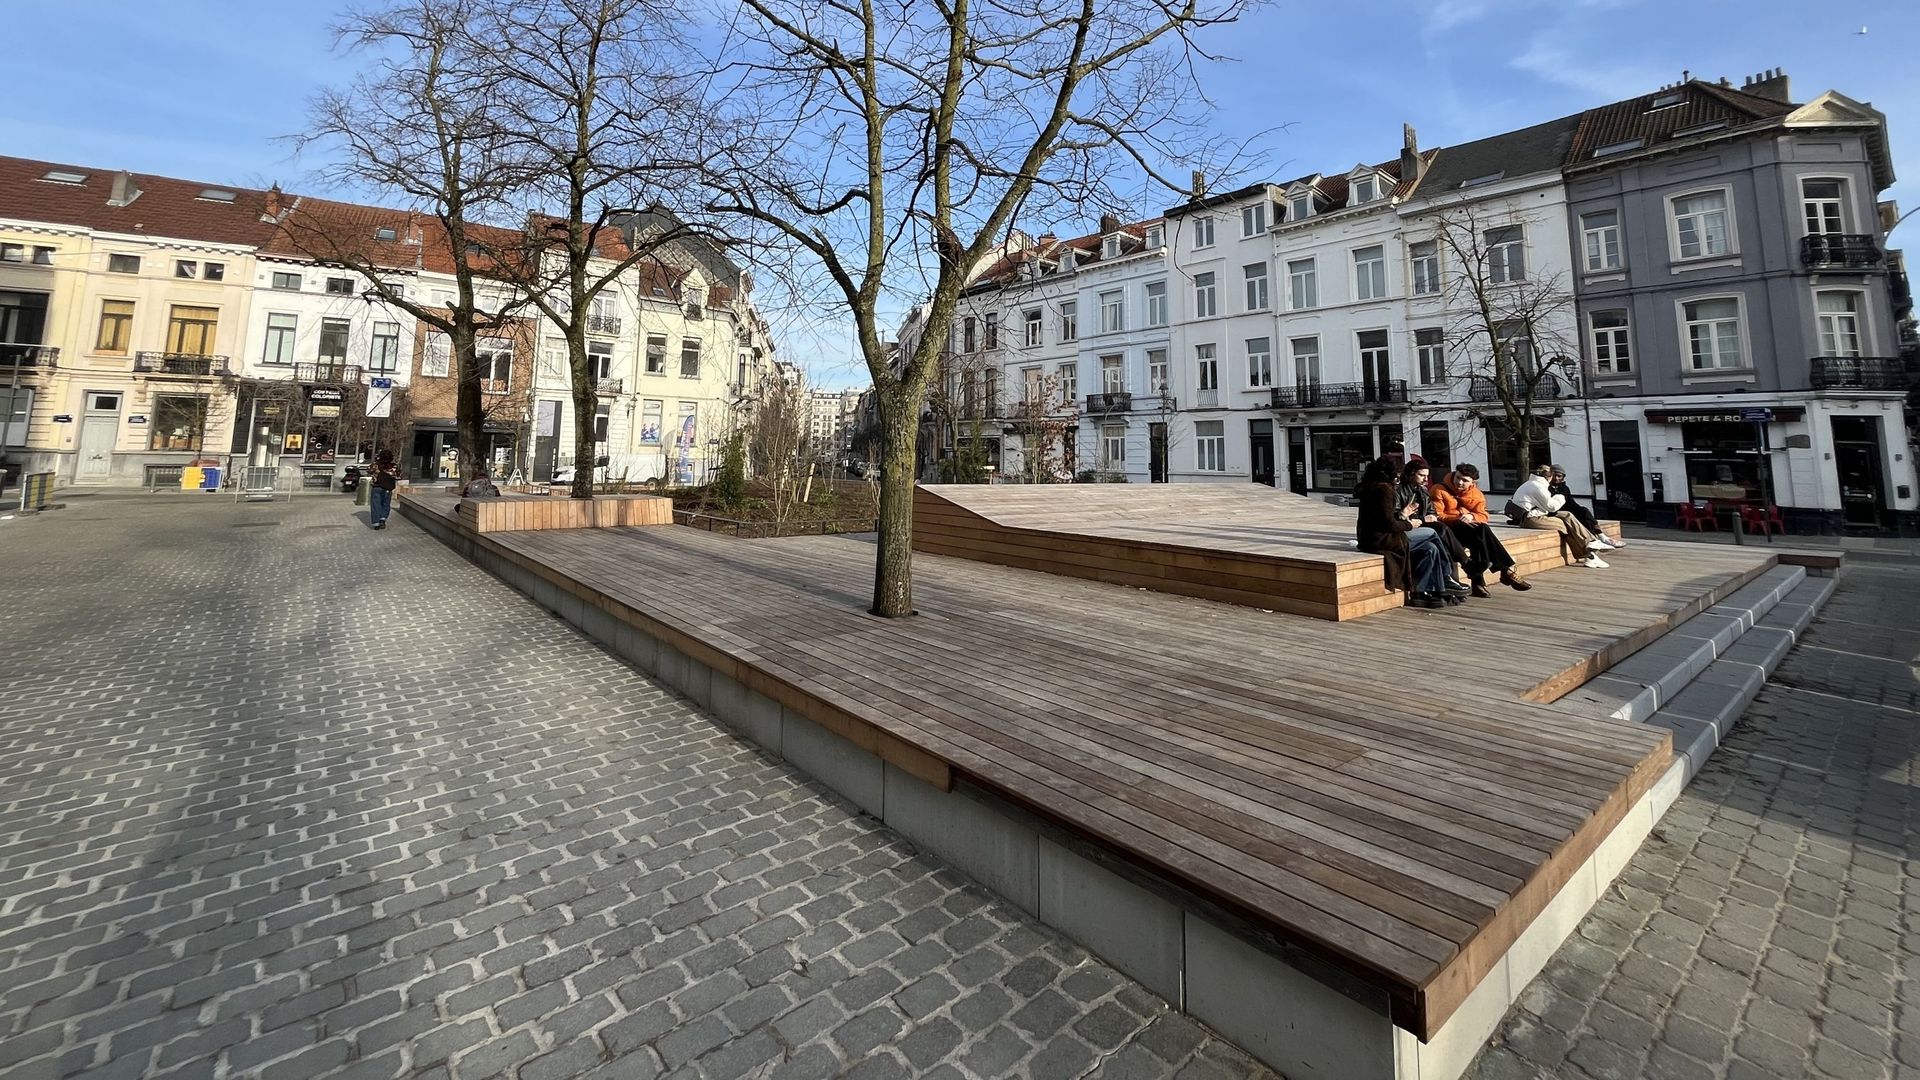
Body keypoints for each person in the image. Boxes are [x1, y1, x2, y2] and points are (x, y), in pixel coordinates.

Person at [1355, 457, 1455, 608]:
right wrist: (1409, 524)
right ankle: (1446, 576)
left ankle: (1421, 591)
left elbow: (1382, 519)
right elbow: (1388, 524)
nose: (1399, 477)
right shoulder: (1384, 491)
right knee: (1433, 533)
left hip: (1371, 537)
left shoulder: (1371, 488)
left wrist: (1403, 515)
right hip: (1382, 539)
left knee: (1431, 548)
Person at [1431, 464, 1530, 596]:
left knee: (1481, 532)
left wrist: (1472, 516)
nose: (1459, 482)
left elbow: (1483, 516)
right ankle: (1504, 570)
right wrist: (1459, 517)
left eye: (1465, 480)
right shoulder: (1439, 489)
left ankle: (1479, 583)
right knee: (1482, 534)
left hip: (1468, 530)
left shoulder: (1476, 494)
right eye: (1458, 477)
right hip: (1449, 530)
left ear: (1472, 482)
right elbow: (1438, 516)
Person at [1510, 465, 1611, 567]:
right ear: (1549, 476)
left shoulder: (1532, 483)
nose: (1555, 479)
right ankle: (1590, 554)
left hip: (1535, 514)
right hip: (1531, 519)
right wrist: (1561, 496)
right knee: (1566, 526)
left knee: (1567, 515)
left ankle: (1591, 545)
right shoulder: (1538, 487)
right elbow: (1552, 507)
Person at [1397, 459, 1471, 596]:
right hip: (1407, 529)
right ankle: (1462, 567)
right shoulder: (1399, 491)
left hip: (1421, 526)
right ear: (1411, 474)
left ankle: (1441, 585)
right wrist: (1415, 518)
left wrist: (1430, 517)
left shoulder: (1423, 491)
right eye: (1421, 475)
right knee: (1439, 531)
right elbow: (1395, 518)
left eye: (1427, 476)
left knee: (1434, 544)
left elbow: (1432, 512)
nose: (1425, 479)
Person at [1548, 466, 1618, 546]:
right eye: (1554, 476)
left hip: (1566, 509)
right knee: (1569, 516)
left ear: (1563, 477)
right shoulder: (1546, 487)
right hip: (1553, 511)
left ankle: (1600, 535)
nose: (1556, 478)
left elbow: (1571, 503)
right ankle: (1592, 540)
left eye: (1559, 476)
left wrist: (1580, 510)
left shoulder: (1564, 488)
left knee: (1584, 511)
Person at [369, 449, 400, 530]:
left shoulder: (375, 465)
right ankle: (382, 519)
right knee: (386, 504)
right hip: (388, 488)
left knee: (376, 505)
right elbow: (398, 476)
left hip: (377, 487)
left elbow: (369, 471)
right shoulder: (394, 466)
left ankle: (376, 523)